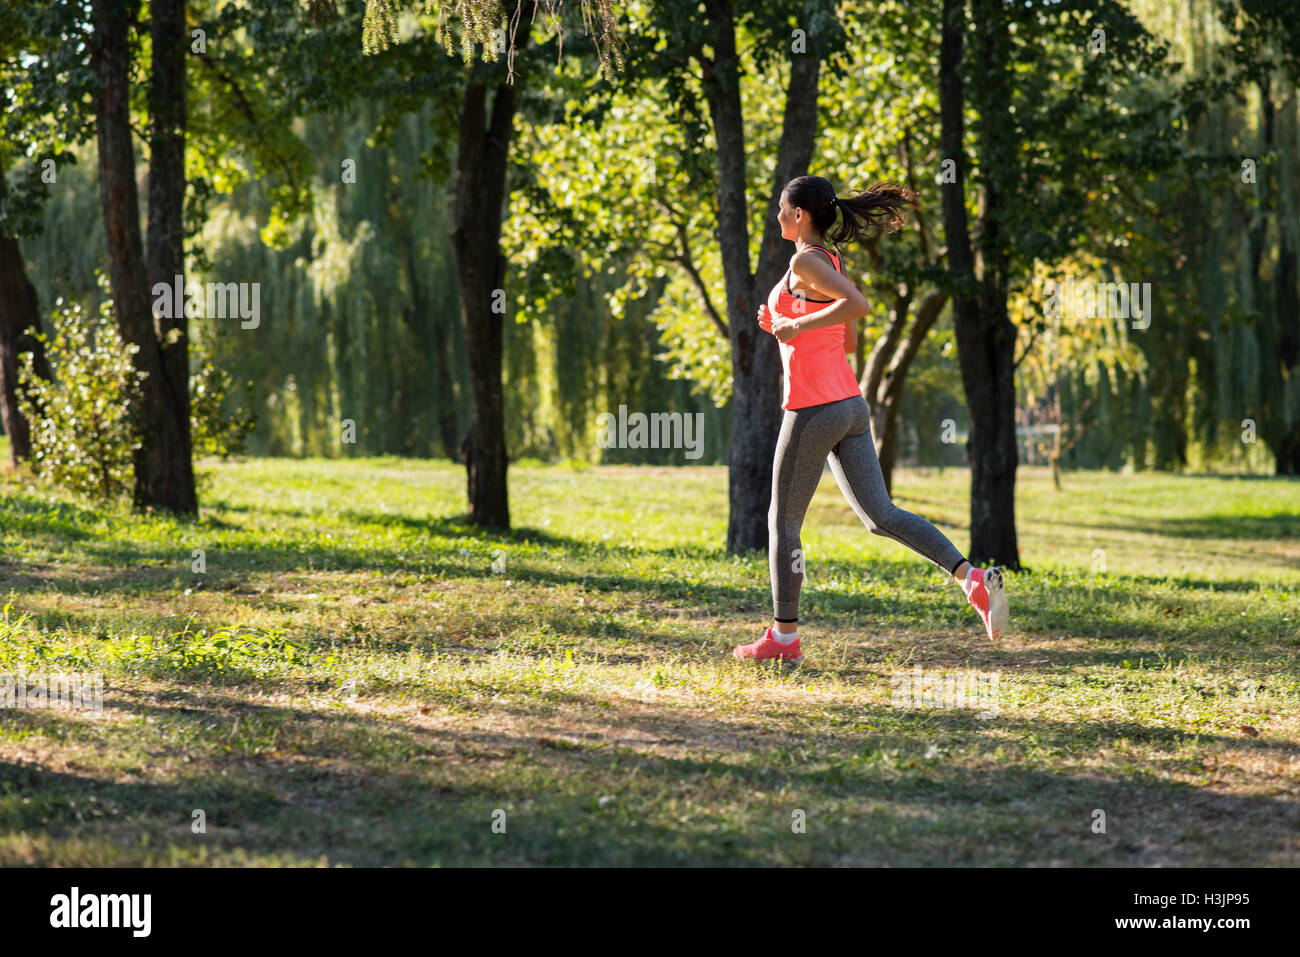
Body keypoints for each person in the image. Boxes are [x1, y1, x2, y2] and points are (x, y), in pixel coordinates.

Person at [733, 176, 1008, 664]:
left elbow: (857, 307)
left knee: (782, 521)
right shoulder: (831, 262)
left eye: (782, 209)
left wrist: (794, 324)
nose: (777, 216)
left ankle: (784, 638)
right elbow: (850, 340)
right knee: (881, 516)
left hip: (814, 409)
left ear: (800, 216)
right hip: (850, 408)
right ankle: (971, 579)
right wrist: (785, 327)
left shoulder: (804, 261)